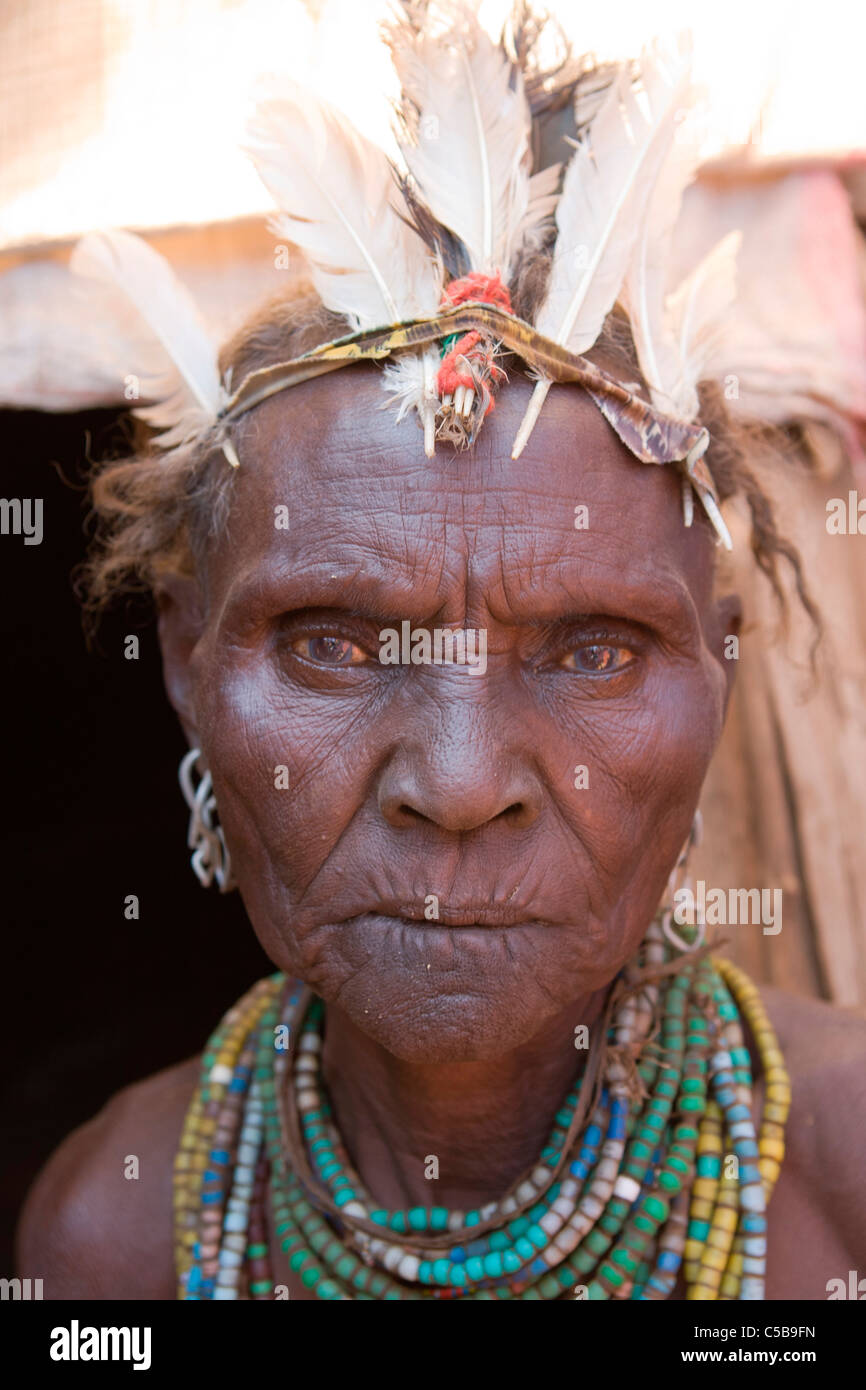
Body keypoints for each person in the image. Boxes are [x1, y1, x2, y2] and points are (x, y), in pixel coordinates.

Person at [16, 3, 866, 1301]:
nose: (461, 783)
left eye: (591, 651)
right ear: (187, 669)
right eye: (333, 646)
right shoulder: (112, 1242)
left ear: (721, 670)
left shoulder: (841, 1180)